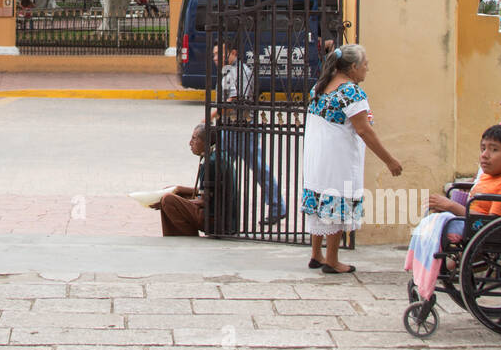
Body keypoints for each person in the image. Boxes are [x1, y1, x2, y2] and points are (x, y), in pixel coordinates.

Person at [301, 44, 402, 273]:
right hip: (338, 159)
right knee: (337, 201)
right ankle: (332, 260)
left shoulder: (320, 86)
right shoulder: (351, 93)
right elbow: (365, 131)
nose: (367, 69)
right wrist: (389, 160)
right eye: (365, 65)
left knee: (319, 201)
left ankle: (316, 254)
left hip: (318, 159)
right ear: (354, 67)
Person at [214, 42, 286, 225]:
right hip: (230, 126)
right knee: (219, 163)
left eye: (218, 54)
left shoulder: (241, 71)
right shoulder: (228, 71)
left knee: (258, 167)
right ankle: (217, 207)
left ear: (233, 52)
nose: (215, 58)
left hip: (243, 127)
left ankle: (278, 206)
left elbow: (236, 98)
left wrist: (211, 115)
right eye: (214, 55)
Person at [425, 125, 501, 242]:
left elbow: (491, 224)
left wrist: (451, 206)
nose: (484, 155)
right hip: (470, 223)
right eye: (483, 149)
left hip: (484, 230)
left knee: (433, 227)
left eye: (494, 150)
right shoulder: (489, 175)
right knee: (430, 223)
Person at [154, 123, 236, 235]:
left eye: (194, 139)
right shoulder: (217, 155)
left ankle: (188, 237)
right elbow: (210, 191)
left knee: (168, 200)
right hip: (223, 217)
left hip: (215, 219)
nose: (190, 143)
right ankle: (175, 236)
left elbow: (204, 201)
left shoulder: (211, 162)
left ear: (205, 142)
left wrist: (169, 201)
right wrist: (178, 189)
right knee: (173, 196)